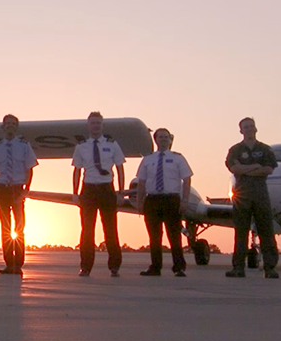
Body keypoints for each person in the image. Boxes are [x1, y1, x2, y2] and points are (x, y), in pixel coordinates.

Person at [131, 128, 192, 277]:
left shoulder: (178, 158)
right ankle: (155, 267)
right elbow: (142, 182)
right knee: (154, 236)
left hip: (171, 200)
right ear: (155, 140)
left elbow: (187, 179)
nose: (163, 140)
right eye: (160, 137)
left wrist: (185, 200)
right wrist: (140, 202)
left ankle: (179, 267)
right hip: (152, 200)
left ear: (170, 140)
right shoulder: (148, 159)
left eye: (166, 137)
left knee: (174, 235)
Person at [71, 111, 126, 277]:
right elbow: (77, 170)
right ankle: (85, 266)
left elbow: (120, 168)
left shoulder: (112, 144)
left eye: (98, 123)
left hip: (106, 189)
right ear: (88, 126)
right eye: (93, 123)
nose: (95, 126)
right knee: (87, 230)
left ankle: (114, 266)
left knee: (110, 229)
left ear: (102, 125)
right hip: (88, 189)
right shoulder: (81, 146)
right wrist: (75, 193)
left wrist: (121, 192)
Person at [225, 117, 279, 278]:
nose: (249, 129)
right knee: (240, 232)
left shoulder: (265, 149)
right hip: (242, 195)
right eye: (245, 127)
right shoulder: (234, 149)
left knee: (266, 231)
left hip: (260, 194)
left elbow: (268, 169)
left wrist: (244, 169)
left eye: (251, 126)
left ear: (255, 129)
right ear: (240, 131)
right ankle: (238, 268)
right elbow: (234, 168)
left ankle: (270, 268)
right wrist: (256, 166)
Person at [0, 114, 37, 275]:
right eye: (7, 124)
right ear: (3, 127)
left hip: (17, 188)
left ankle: (19, 263)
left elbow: (30, 169)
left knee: (19, 227)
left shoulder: (24, 146)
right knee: (5, 227)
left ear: (16, 127)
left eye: (12, 124)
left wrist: (25, 190)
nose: (9, 126)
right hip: (2, 188)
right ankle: (9, 263)